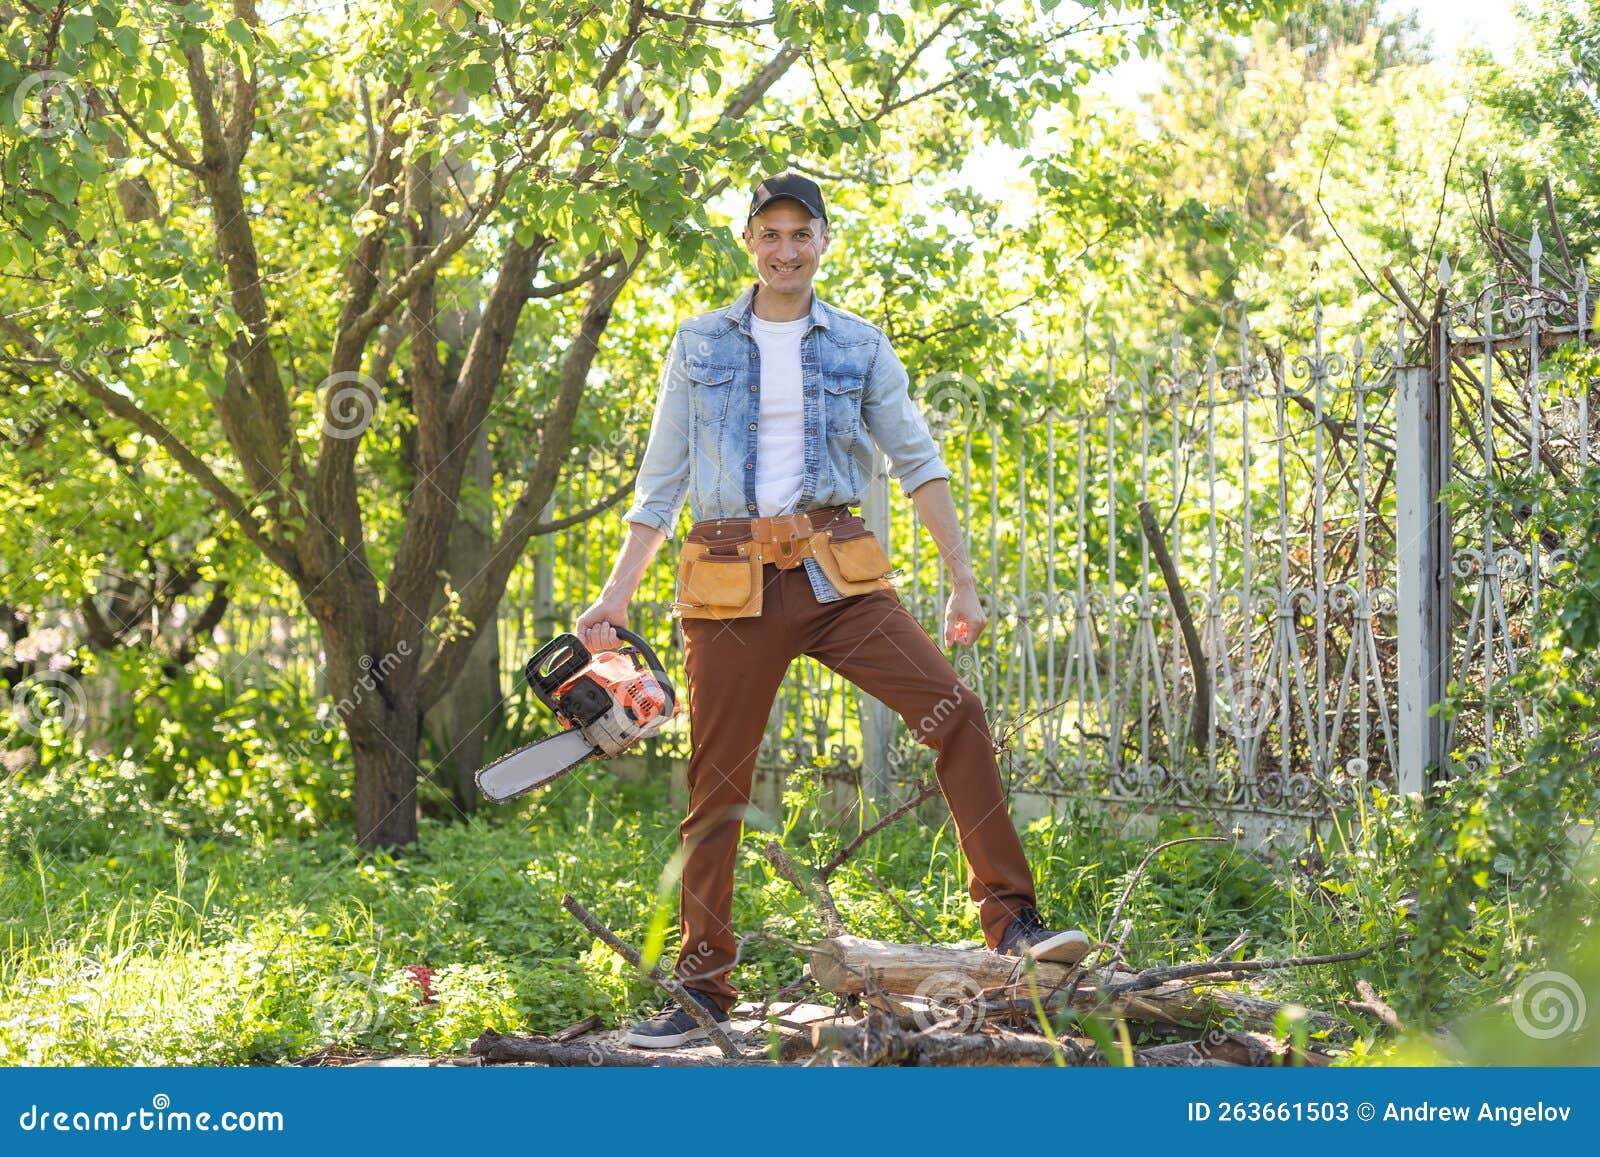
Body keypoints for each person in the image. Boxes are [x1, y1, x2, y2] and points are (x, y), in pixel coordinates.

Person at [576, 170, 1088, 1049]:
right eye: (769, 235)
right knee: (718, 785)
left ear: (823, 243)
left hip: (835, 578)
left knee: (955, 711)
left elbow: (918, 461)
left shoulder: (857, 344)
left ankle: (1015, 924)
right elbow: (660, 483)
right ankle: (703, 987)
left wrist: (961, 579)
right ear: (749, 242)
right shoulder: (698, 344)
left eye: (800, 235)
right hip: (729, 584)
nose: (785, 250)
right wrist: (616, 592)